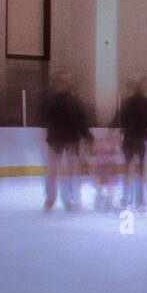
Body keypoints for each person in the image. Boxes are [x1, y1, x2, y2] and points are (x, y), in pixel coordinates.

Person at [41, 72, 92, 211]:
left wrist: (87, 135)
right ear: (55, 82)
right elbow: (43, 116)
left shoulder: (75, 100)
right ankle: (51, 198)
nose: (63, 83)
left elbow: (81, 120)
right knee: (52, 170)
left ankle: (72, 197)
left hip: (71, 140)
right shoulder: (48, 99)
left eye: (66, 81)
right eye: (60, 81)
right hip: (55, 140)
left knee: (71, 171)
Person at [120, 78, 147, 209]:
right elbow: (122, 117)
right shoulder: (131, 102)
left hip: (141, 139)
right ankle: (128, 197)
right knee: (130, 169)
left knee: (140, 169)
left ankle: (139, 198)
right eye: (145, 84)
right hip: (131, 138)